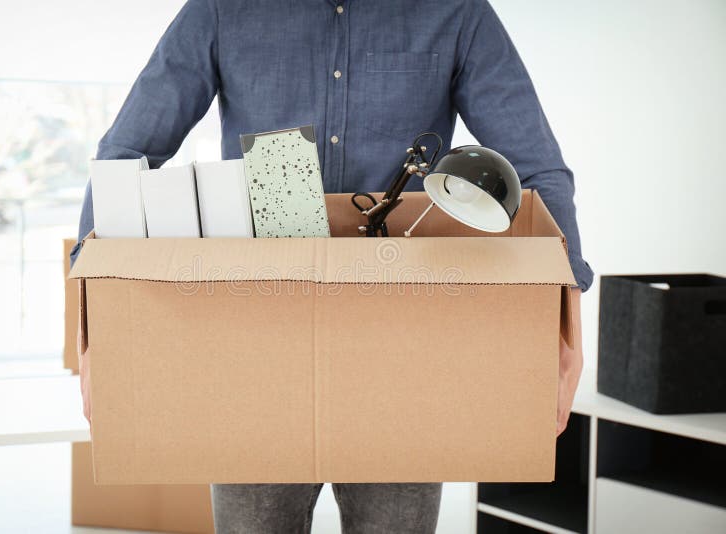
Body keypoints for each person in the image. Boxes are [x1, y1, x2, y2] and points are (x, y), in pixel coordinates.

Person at [71, 1, 594, 532]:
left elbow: (537, 172)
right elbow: (126, 152)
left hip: (406, 351)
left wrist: (564, 319)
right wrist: (94, 328)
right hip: (256, 348)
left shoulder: (454, 10)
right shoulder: (223, 8)